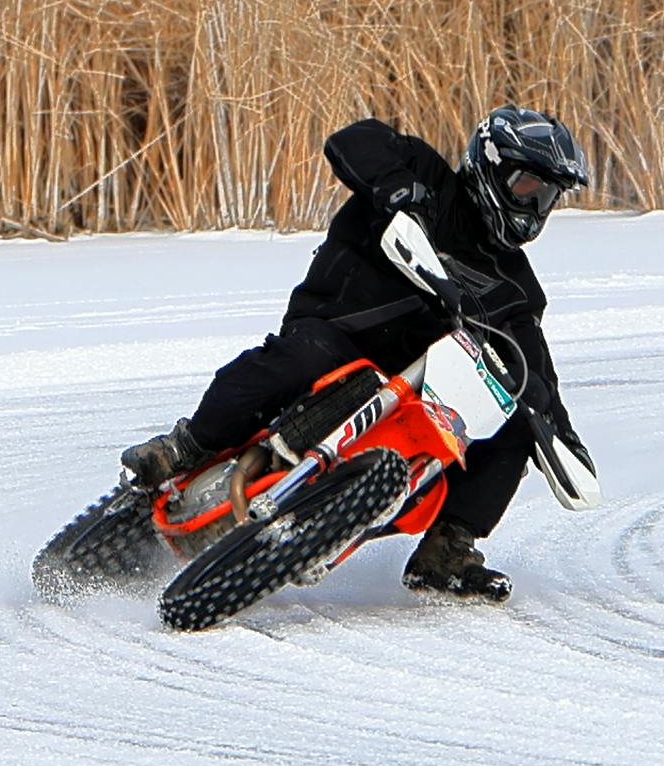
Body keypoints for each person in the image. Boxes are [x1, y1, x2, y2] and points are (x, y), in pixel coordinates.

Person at [121, 108, 593, 603]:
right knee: (302, 356)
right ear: (491, 166)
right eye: (527, 187)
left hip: (413, 383)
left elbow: (532, 365)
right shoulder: (423, 175)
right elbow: (355, 140)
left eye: (548, 196)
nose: (536, 205)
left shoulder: (515, 287)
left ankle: (448, 548)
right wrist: (393, 188)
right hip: (339, 329)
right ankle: (183, 449)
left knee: (514, 418)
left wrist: (559, 429)